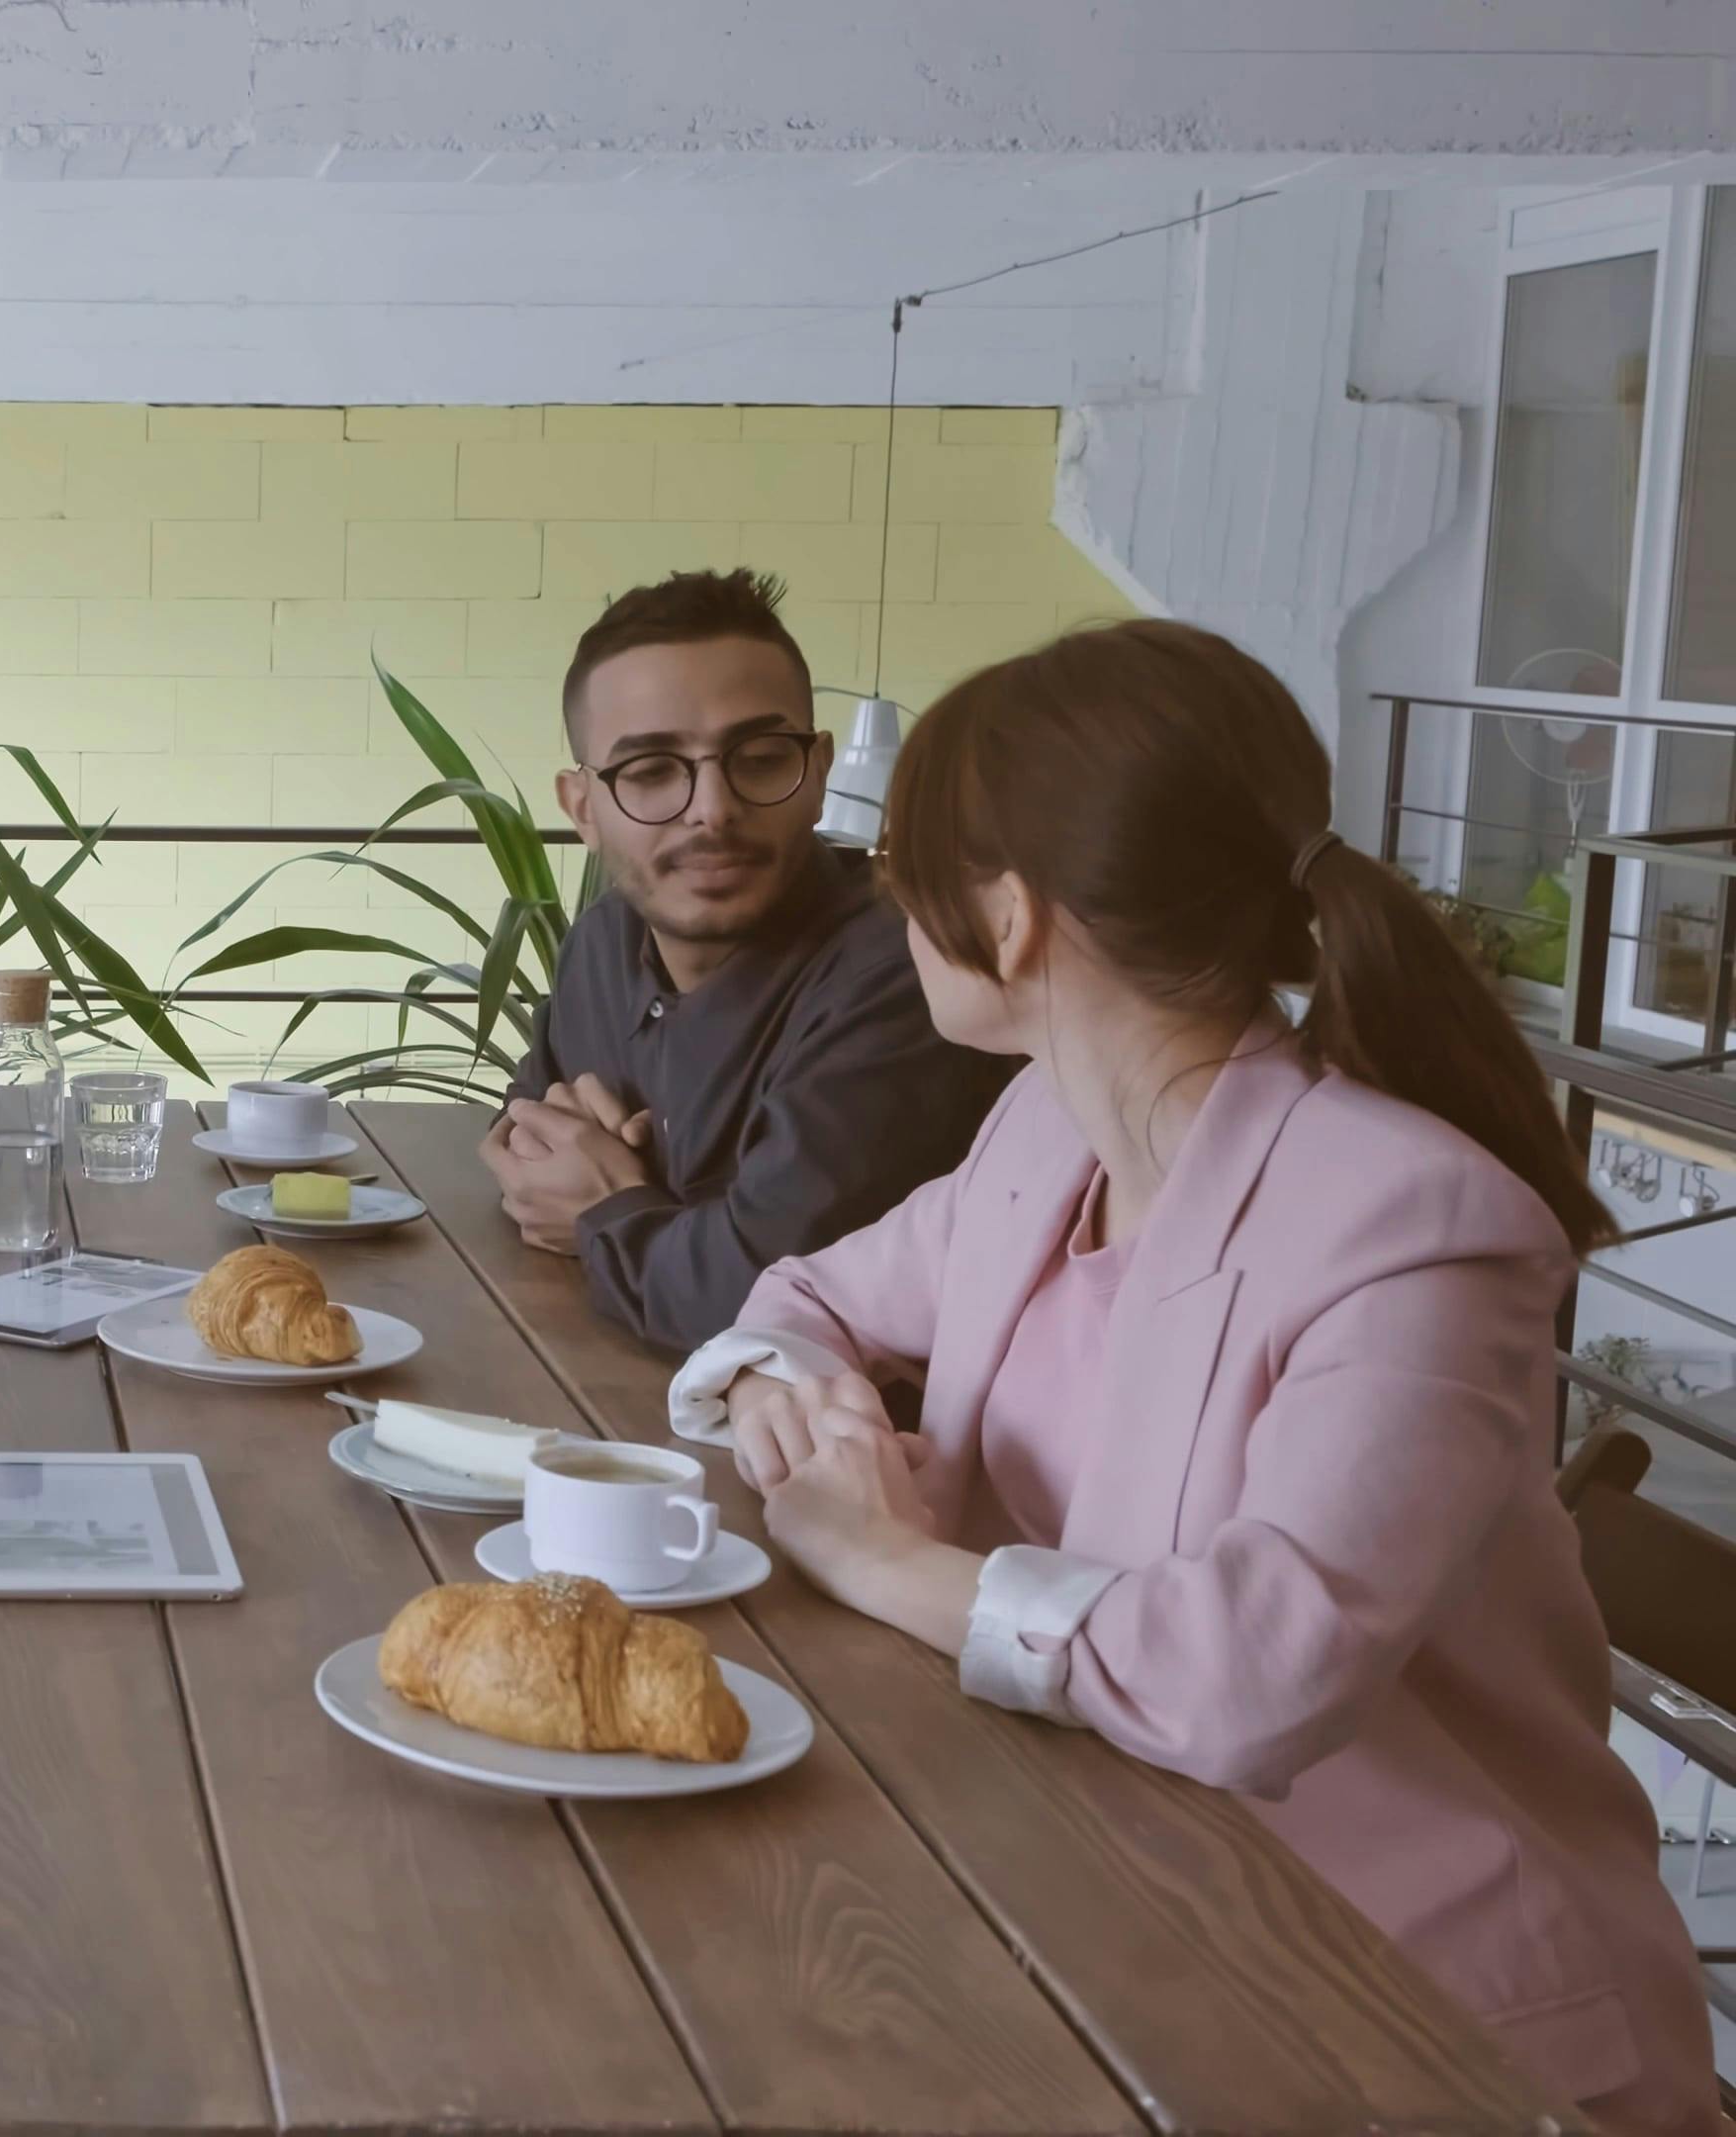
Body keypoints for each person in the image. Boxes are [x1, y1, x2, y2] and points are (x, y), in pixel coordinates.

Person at [678, 620, 1707, 2130]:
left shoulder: (1409, 1227)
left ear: (1013, 918)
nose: (883, 913)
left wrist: (880, 1558)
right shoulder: (1042, 1136)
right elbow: (805, 1296)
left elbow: (1255, 1673)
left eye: (900, 880)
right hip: (1104, 1925)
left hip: (1419, 2033)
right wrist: (799, 1401)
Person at [486, 568, 1012, 1349]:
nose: (712, 810)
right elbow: (527, 1128)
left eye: (761, 758)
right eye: (651, 771)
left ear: (820, 770)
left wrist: (607, 1209)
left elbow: (760, 1300)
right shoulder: (603, 939)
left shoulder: (903, 975)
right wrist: (593, 1186)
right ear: (582, 808)